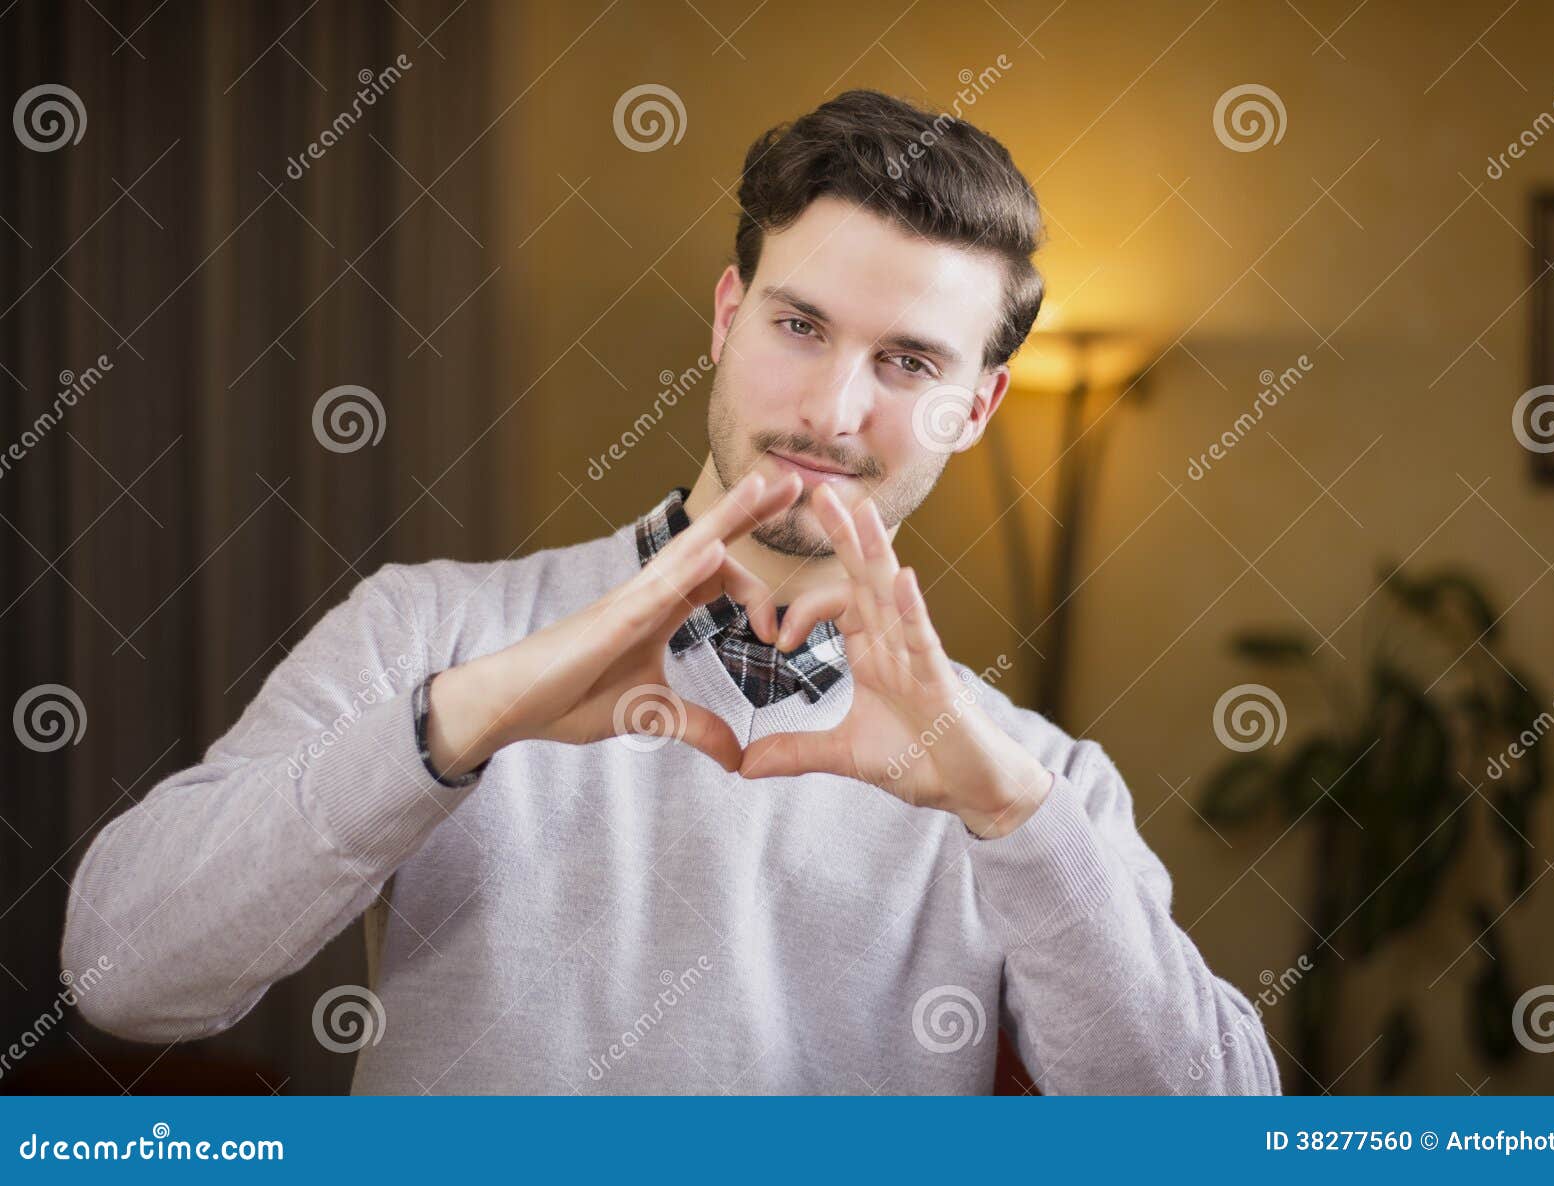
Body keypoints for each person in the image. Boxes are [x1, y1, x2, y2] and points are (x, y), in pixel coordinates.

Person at [60, 88, 1280, 1095]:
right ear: (727, 318)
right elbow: (121, 975)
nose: (832, 410)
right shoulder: (430, 629)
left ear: (976, 407)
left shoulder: (1038, 779)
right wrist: (453, 725)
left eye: (907, 362)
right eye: (799, 327)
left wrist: (1012, 819)